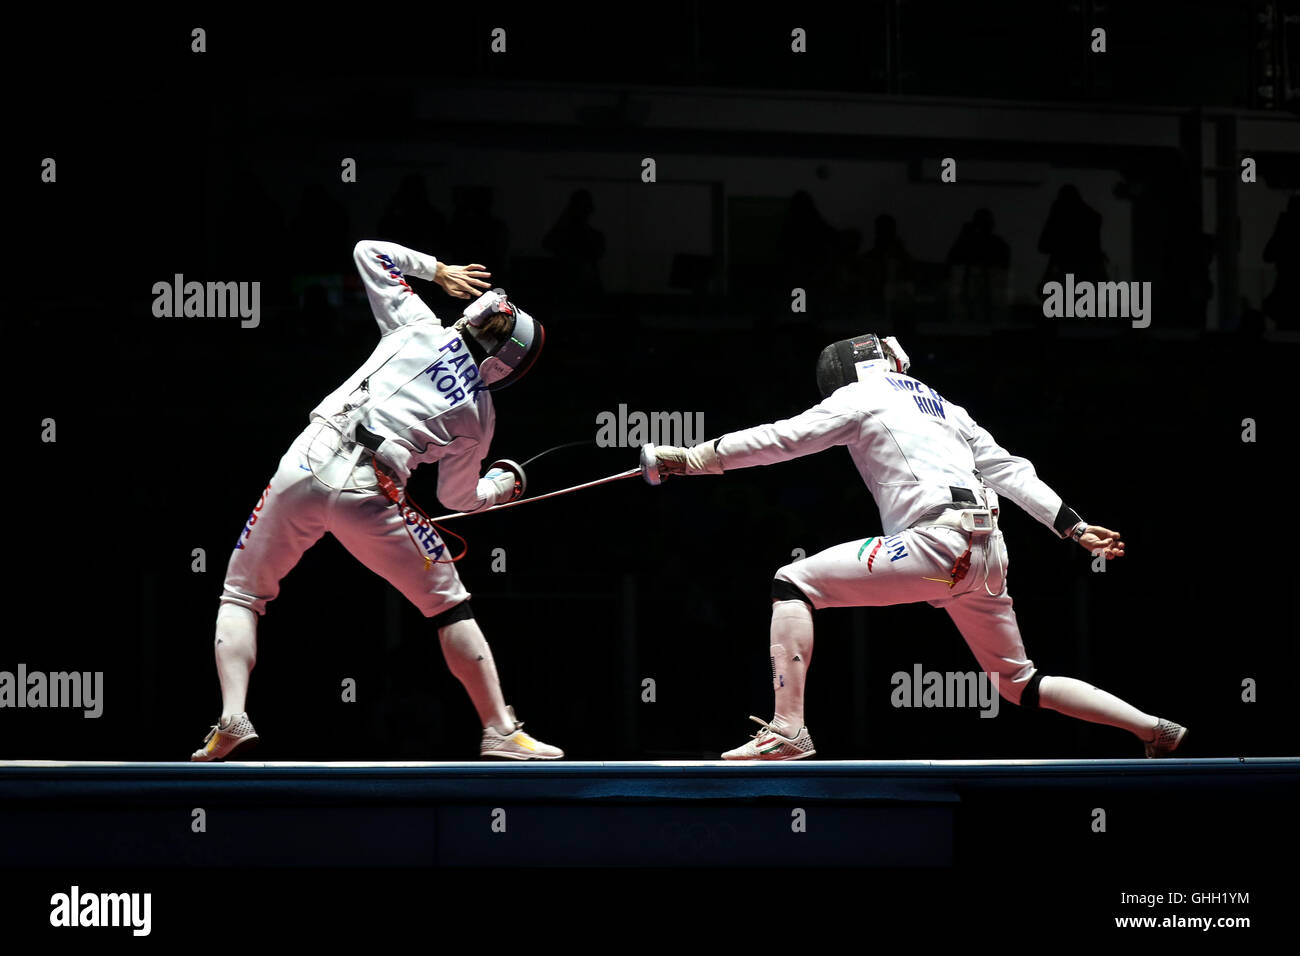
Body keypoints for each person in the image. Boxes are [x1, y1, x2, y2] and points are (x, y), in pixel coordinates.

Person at [641, 334, 1186, 760]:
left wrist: (692, 459)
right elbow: (1010, 470)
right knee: (1018, 681)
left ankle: (788, 731)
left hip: (935, 544)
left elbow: (783, 439)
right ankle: (1153, 728)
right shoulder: (945, 406)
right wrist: (1071, 524)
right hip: (988, 551)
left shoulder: (860, 396)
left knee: (794, 582)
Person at [192, 239, 562, 761]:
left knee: (242, 594)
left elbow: (368, 251)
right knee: (449, 605)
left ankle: (232, 717)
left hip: (302, 465)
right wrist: (504, 486)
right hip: (368, 495)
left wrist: (438, 270)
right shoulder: (478, 416)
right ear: (505, 367)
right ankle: (499, 729)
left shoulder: (416, 324)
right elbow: (457, 499)